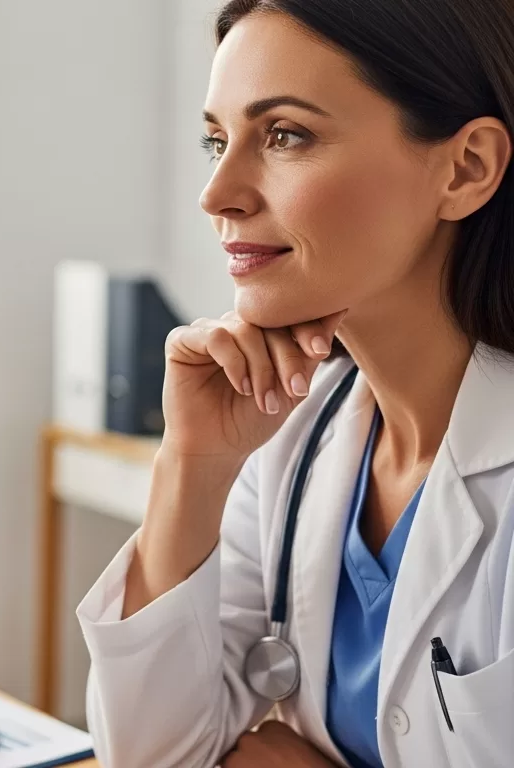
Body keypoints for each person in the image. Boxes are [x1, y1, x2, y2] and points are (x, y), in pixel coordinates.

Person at [76, 1, 514, 767]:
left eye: (285, 135)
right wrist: (192, 465)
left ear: (466, 167)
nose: (217, 194)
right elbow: (152, 757)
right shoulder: (295, 436)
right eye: (217, 140)